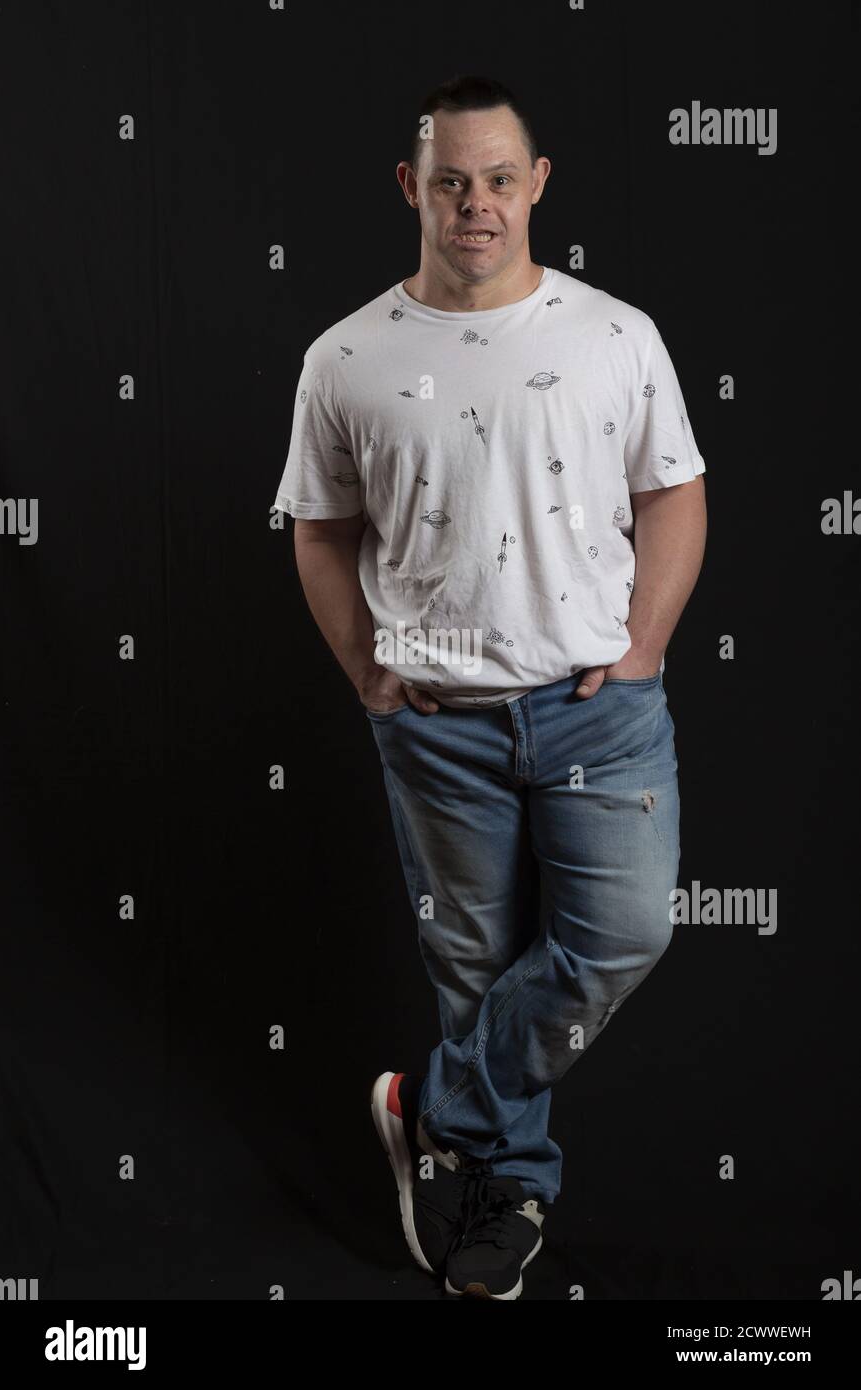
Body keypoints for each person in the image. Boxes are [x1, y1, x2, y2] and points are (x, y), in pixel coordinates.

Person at [272, 74, 707, 1301]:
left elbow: (672, 489)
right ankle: (506, 1186)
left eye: (499, 180)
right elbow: (318, 528)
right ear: (413, 189)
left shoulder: (614, 334)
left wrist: (642, 645)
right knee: (475, 959)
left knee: (623, 932)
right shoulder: (343, 357)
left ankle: (438, 1105)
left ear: (536, 188)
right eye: (451, 181)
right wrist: (364, 666)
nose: (476, 204)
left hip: (597, 712)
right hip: (435, 725)